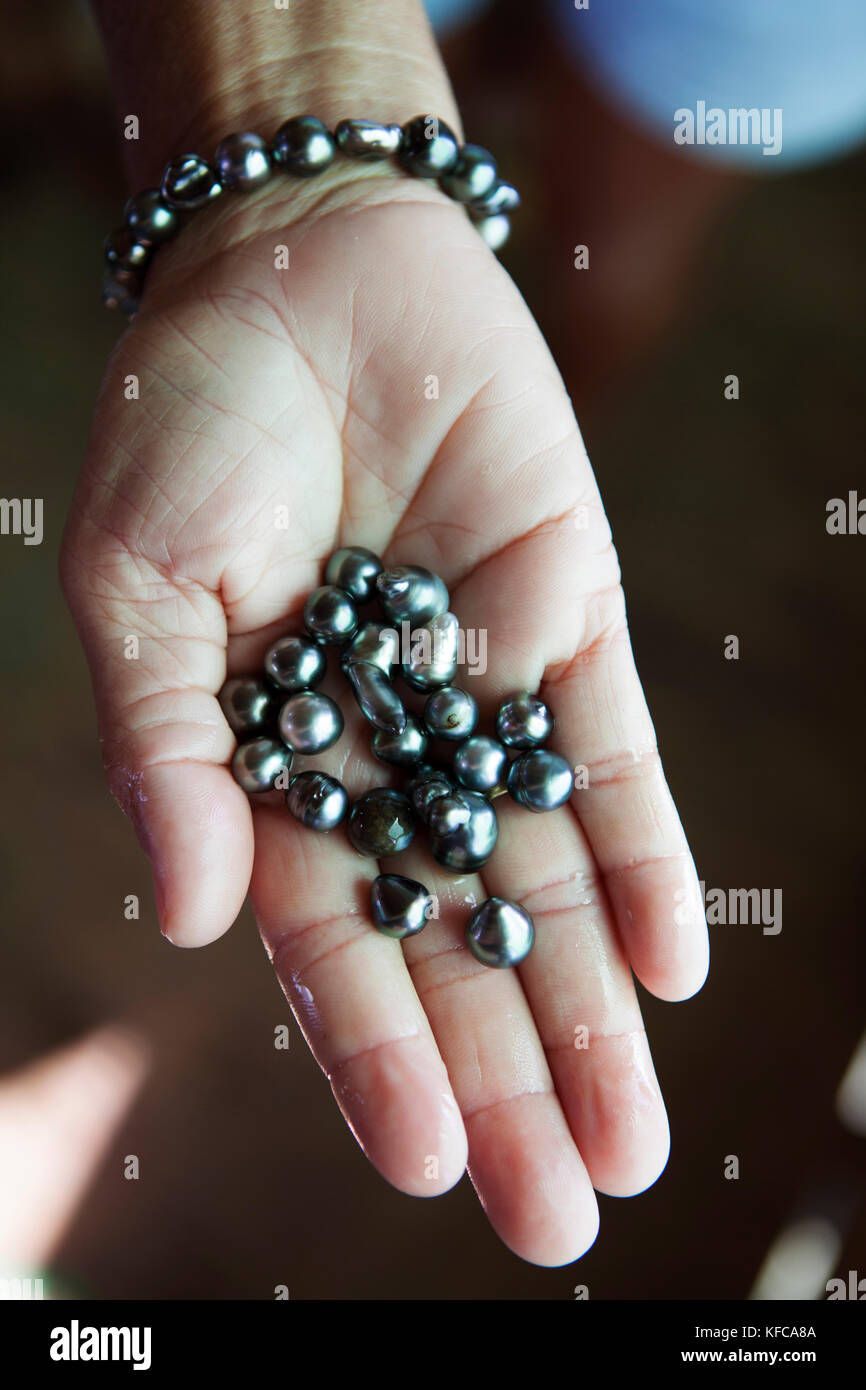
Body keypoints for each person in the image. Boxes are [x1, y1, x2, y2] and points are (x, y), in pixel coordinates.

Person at [61, 0, 710, 1268]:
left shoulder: (393, 739)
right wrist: (301, 137)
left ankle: (580, 304)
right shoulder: (374, 728)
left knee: (663, 148)